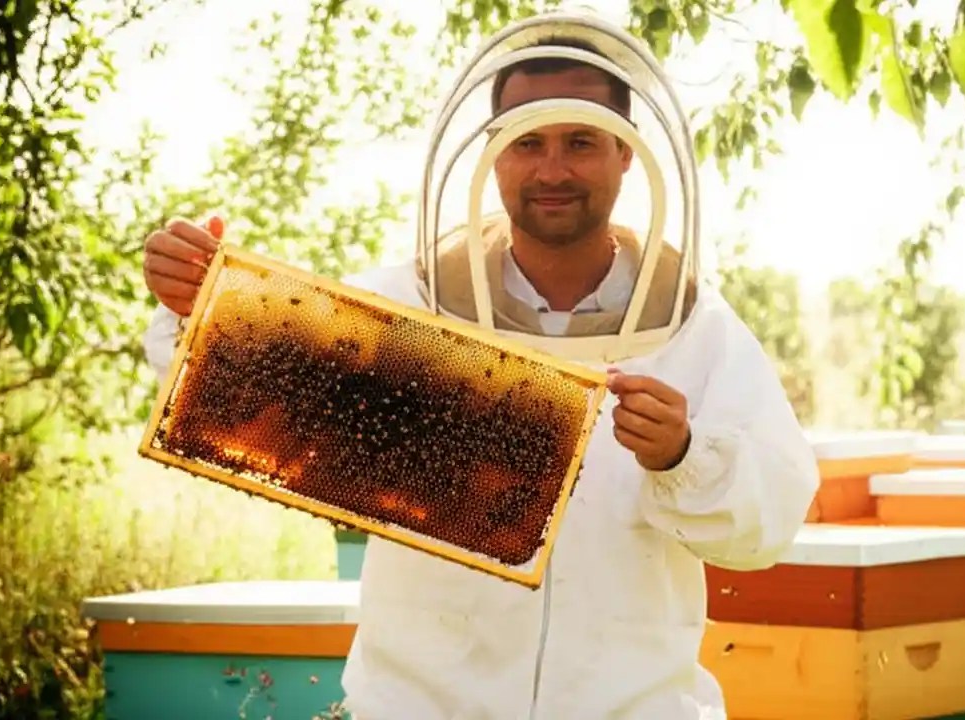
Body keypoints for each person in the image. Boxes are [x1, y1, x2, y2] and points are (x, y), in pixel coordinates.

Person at [140, 20, 817, 720]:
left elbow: (766, 526)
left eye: (580, 142)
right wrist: (198, 305)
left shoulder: (696, 328)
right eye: (526, 142)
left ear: (625, 153)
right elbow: (253, 391)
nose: (552, 171)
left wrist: (683, 455)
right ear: (492, 153)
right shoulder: (405, 305)